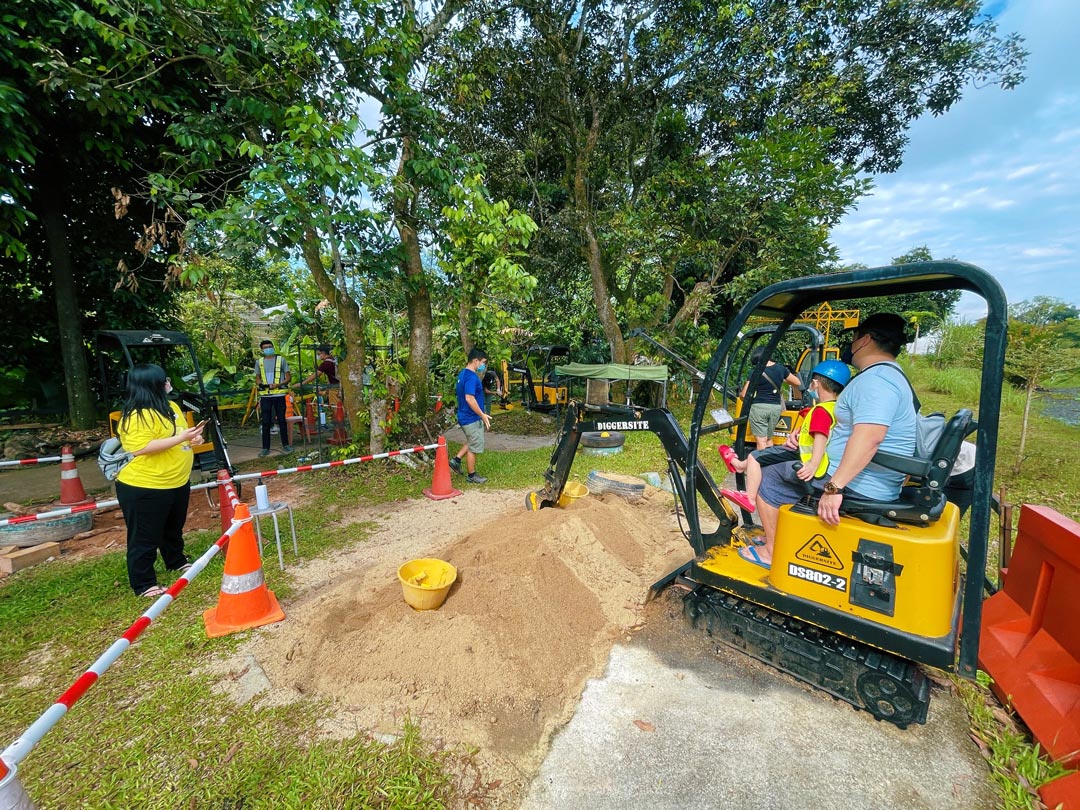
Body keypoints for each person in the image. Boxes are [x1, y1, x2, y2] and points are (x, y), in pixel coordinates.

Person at [741, 313, 916, 568]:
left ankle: (771, 551)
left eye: (854, 338)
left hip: (861, 484)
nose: (851, 344)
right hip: (867, 477)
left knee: (771, 474)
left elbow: (870, 438)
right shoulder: (885, 376)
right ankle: (780, 534)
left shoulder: (877, 381)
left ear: (865, 340)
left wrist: (835, 488)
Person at [115, 364, 205, 597]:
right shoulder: (136, 416)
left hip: (176, 481)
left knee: (172, 528)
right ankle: (144, 583)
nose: (168, 383)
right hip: (145, 485)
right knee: (145, 536)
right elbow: (140, 448)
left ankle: (176, 560)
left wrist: (192, 439)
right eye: (164, 380)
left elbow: (179, 436)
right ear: (151, 385)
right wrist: (181, 438)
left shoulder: (171, 406)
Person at [719, 360, 850, 515]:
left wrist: (813, 464)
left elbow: (820, 437)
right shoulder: (835, 408)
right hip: (808, 454)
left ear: (816, 383)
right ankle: (739, 466)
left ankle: (750, 497)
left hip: (805, 457)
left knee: (755, 456)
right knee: (771, 450)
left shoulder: (820, 410)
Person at [740, 346, 802, 451]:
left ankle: (761, 465)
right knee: (768, 439)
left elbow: (743, 394)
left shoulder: (756, 371)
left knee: (761, 441)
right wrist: (782, 379)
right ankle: (772, 463)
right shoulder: (781, 369)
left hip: (759, 407)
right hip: (775, 408)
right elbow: (797, 382)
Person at [449, 347, 492, 484]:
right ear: (476, 361)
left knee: (472, 439)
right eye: (483, 362)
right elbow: (469, 398)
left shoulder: (462, 374)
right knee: (474, 446)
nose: (483, 365)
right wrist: (482, 415)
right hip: (471, 417)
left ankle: (456, 460)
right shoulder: (472, 377)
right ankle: (472, 475)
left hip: (464, 415)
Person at [256, 339, 293, 457]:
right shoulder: (259, 362)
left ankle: (286, 444)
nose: (268, 349)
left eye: (270, 347)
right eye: (265, 347)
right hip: (266, 396)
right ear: (262, 350)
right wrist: (261, 384)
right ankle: (265, 448)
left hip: (280, 394)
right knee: (266, 422)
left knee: (282, 420)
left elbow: (288, 377)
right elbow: (257, 378)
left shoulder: (281, 360)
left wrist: (278, 385)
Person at [302, 344, 341, 408]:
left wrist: (303, 383)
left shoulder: (326, 363)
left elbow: (316, 374)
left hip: (335, 387)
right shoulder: (333, 359)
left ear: (323, 353)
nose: (318, 356)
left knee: (336, 407)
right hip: (337, 386)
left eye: (319, 354)